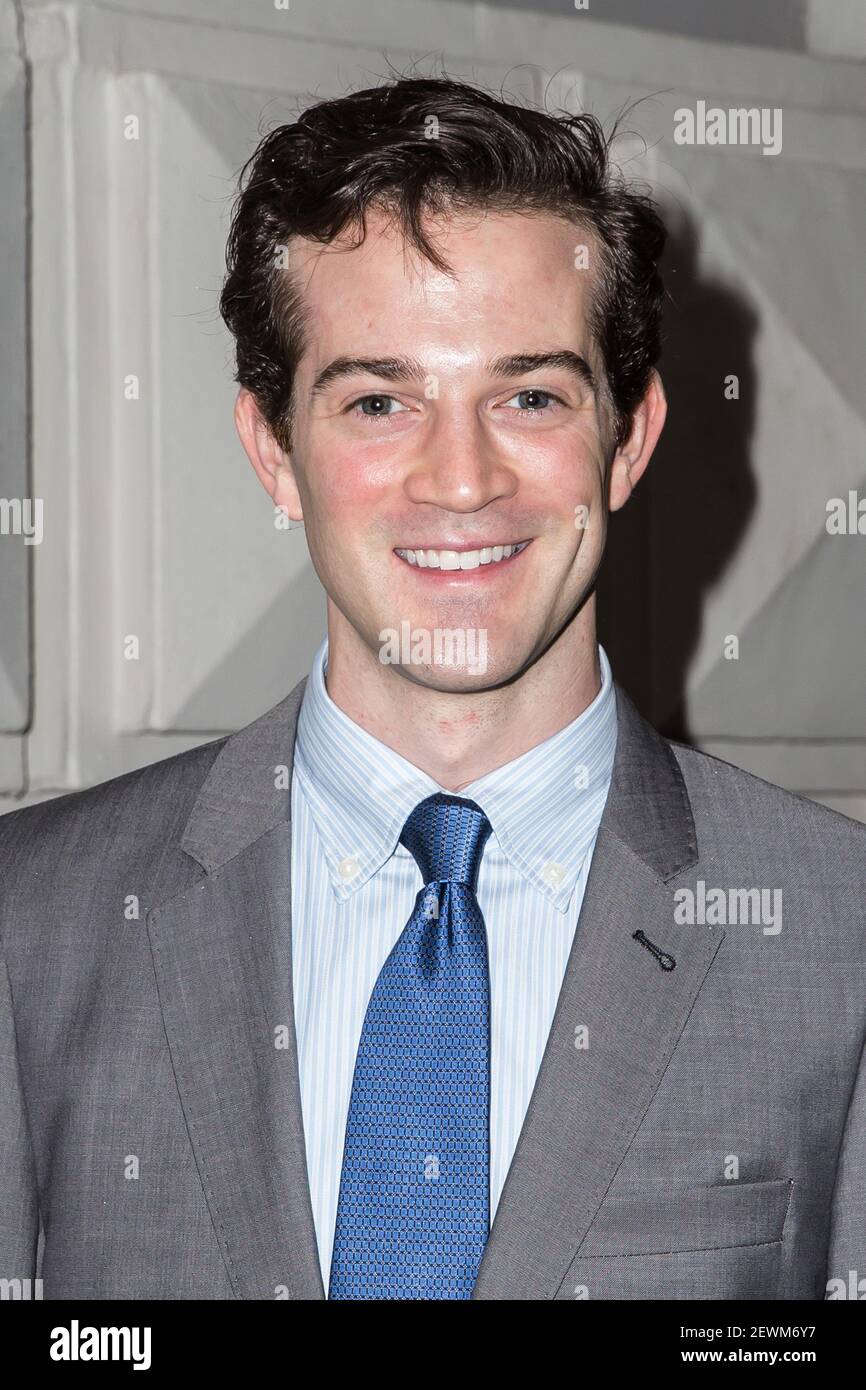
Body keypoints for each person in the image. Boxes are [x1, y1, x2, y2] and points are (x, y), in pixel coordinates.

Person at [1, 76, 863, 1301]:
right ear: (271, 449)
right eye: (377, 401)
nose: (460, 481)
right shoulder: (29, 925)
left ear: (626, 440)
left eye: (527, 396)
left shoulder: (838, 939)